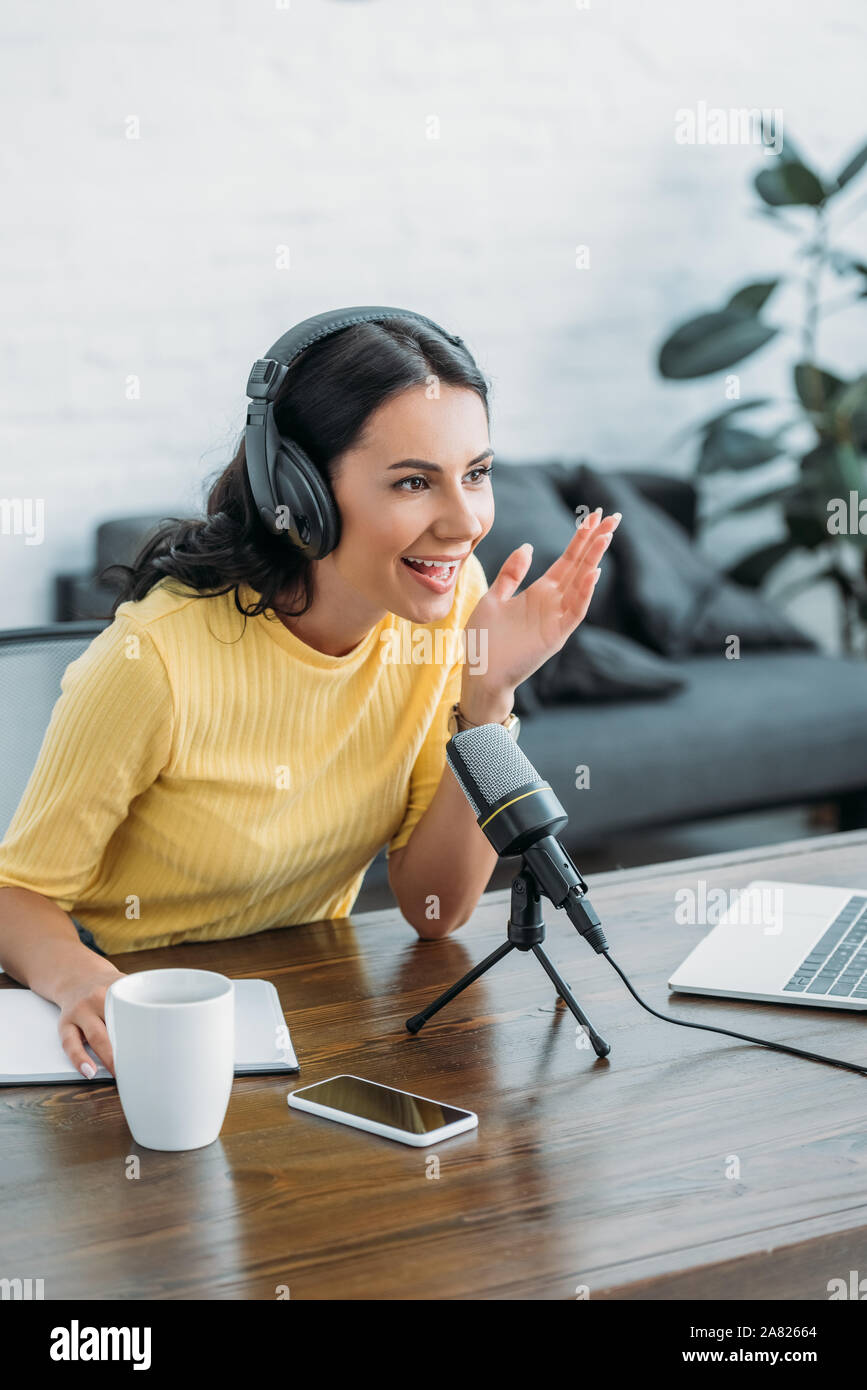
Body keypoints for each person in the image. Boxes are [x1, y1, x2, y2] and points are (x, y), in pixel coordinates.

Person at [0, 312, 619, 1079]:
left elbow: (435, 912)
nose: (464, 522)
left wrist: (487, 696)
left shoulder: (449, 618)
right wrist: (82, 981)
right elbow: (15, 893)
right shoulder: (152, 660)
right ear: (299, 492)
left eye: (477, 473)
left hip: (306, 1012)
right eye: (413, 482)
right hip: (138, 1028)